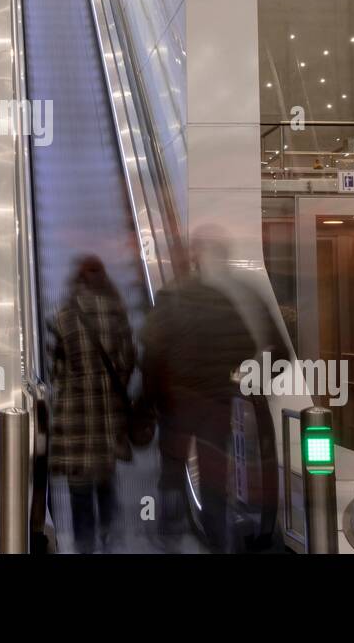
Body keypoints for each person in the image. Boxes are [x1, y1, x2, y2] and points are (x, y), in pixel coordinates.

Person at [139, 229, 285, 552]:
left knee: (173, 468)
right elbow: (247, 344)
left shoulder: (170, 298)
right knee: (213, 477)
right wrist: (235, 378)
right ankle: (219, 540)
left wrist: (147, 403)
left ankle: (169, 535)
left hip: (178, 403)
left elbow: (151, 356)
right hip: (217, 402)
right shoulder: (221, 299)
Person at [47, 255, 136, 554]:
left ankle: (84, 547)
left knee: (80, 490)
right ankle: (109, 540)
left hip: (75, 421)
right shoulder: (117, 313)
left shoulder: (62, 316)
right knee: (105, 481)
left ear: (78, 280)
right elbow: (126, 363)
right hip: (108, 418)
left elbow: (55, 369)